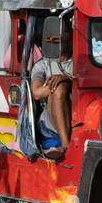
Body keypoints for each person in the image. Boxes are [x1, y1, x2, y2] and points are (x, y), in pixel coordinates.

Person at [30, 19, 74, 162]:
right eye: (58, 34)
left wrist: (67, 79)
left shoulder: (79, 63)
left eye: (66, 33)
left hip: (75, 119)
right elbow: (36, 93)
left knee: (62, 85)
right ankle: (65, 144)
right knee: (59, 88)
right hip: (49, 127)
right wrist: (57, 84)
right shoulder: (42, 65)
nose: (62, 37)